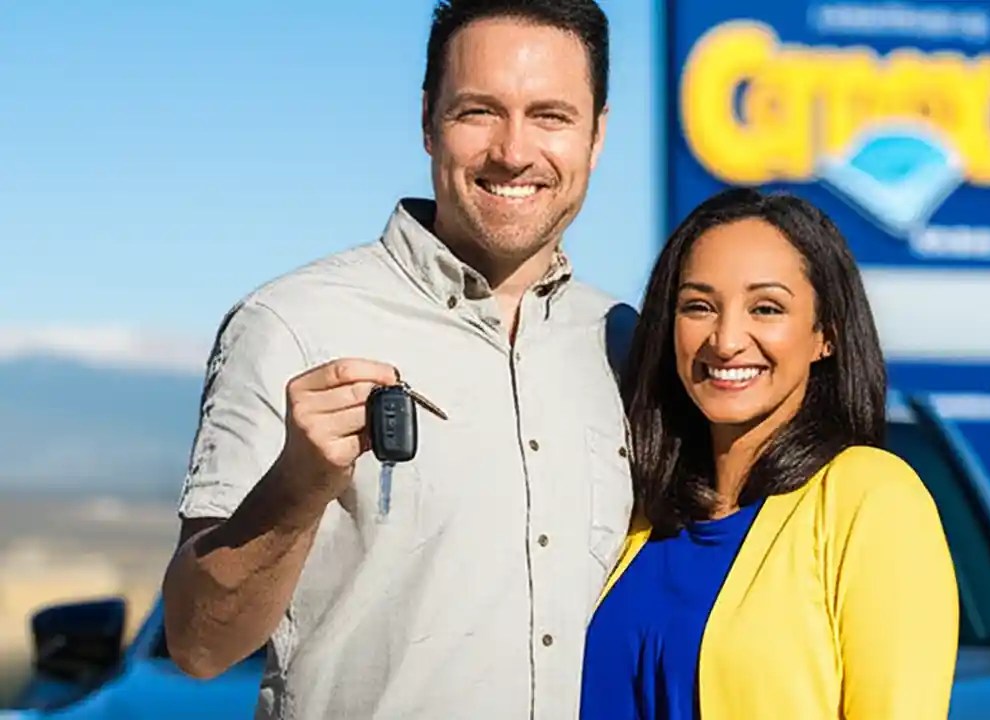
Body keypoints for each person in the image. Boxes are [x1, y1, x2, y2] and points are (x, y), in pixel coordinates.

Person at [160, 1, 636, 718]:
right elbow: (199, 645)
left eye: (550, 116)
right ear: (426, 121)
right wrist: (297, 485)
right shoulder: (292, 326)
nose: (513, 151)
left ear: (597, 135)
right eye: (479, 111)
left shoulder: (630, 344)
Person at [579, 187, 960, 719]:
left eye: (766, 308)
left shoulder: (871, 499)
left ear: (824, 333)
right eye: (698, 306)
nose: (727, 339)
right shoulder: (634, 511)